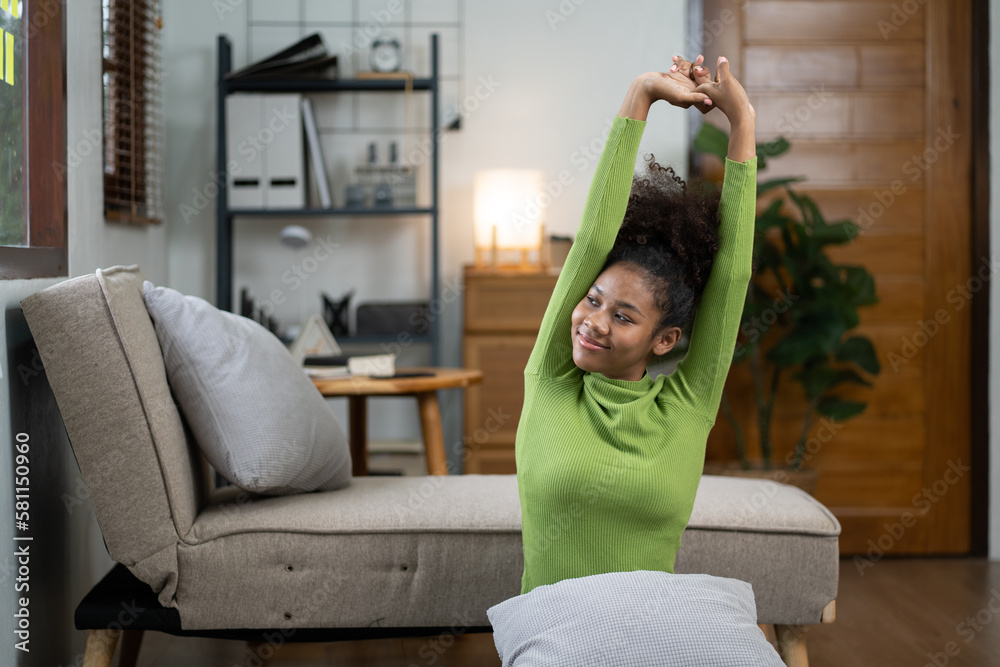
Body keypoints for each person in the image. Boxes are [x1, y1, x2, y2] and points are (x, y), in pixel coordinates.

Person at [515, 54, 757, 594]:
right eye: (593, 301)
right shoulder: (552, 381)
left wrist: (743, 125)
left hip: (649, 633)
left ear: (664, 339)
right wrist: (641, 95)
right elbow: (590, 243)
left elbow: (732, 278)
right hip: (553, 634)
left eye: (623, 316)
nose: (593, 322)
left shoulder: (687, 407)